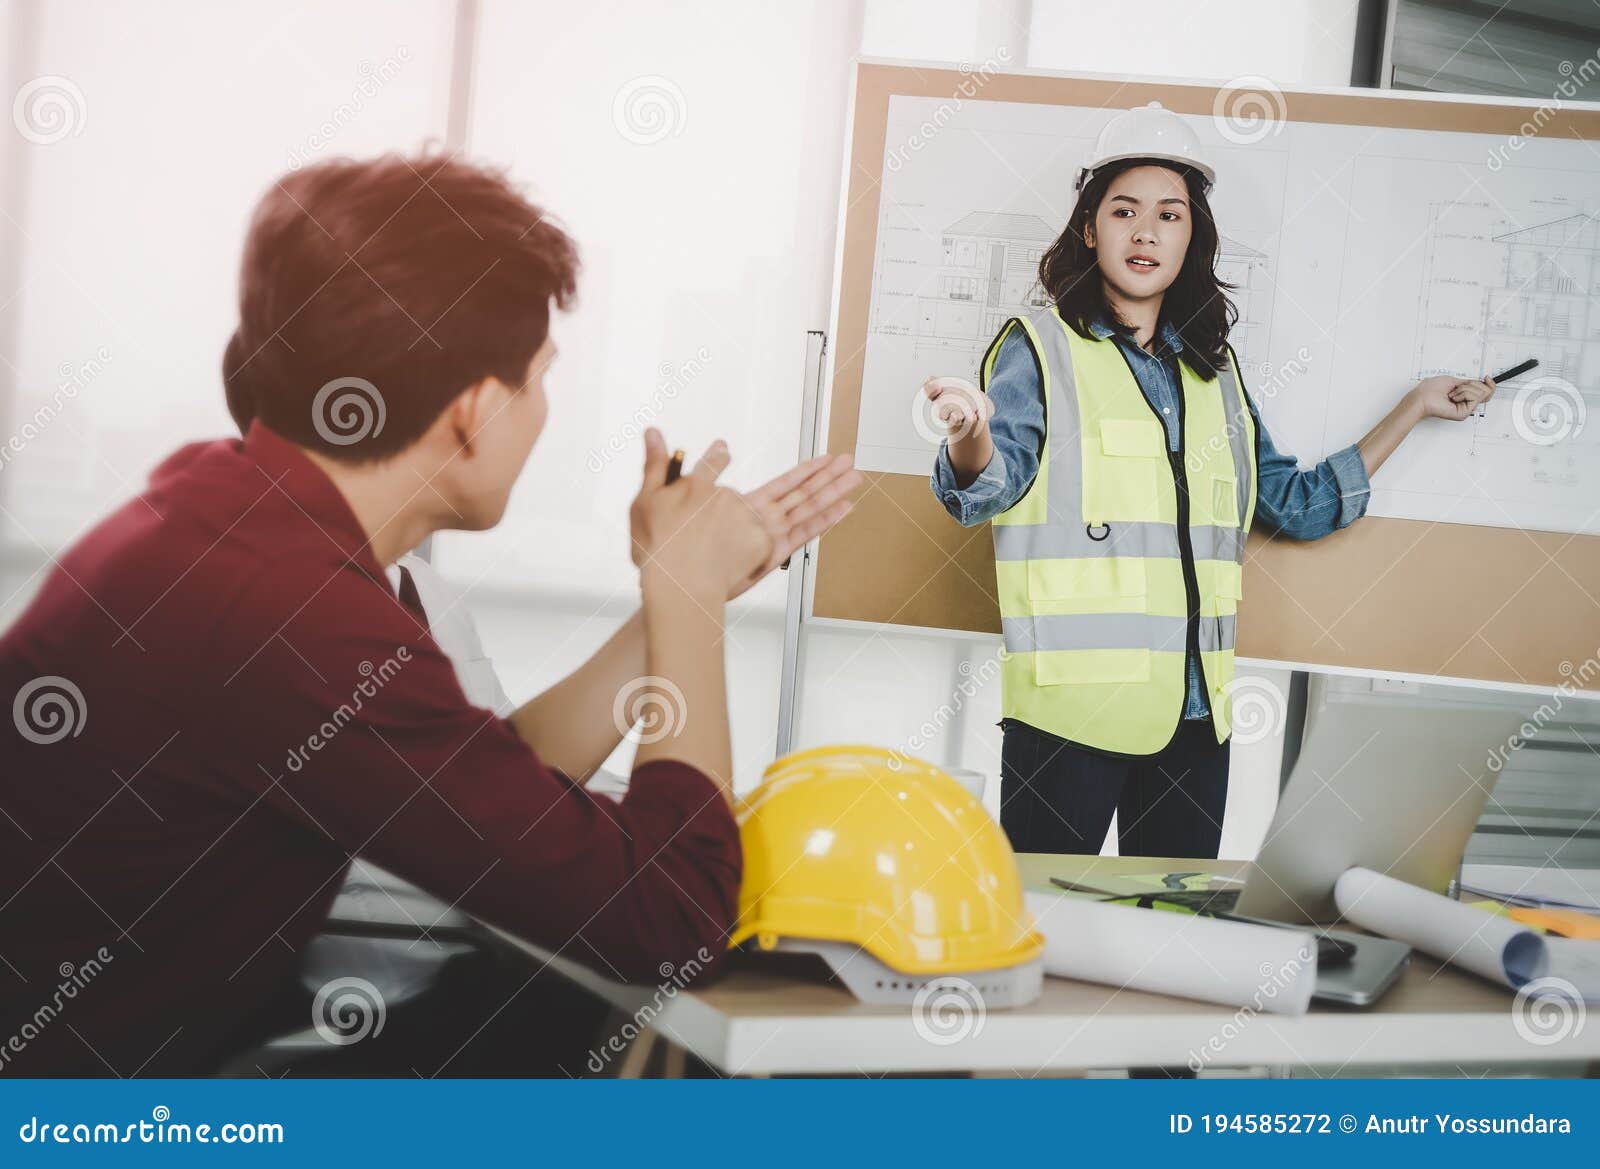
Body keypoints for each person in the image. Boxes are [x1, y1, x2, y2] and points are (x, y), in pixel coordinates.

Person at [0, 153, 861, 1075]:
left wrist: (676, 591)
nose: (541, 410)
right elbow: (670, 918)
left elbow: (489, 791)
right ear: (475, 411)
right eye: (537, 379)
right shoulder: (295, 612)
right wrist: (687, 599)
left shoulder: (240, 521)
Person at [922, 103, 1494, 860]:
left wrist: (1414, 406)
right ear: (1090, 229)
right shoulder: (1042, 349)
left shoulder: (1215, 375)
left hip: (1197, 725)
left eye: (1170, 214)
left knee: (1175, 944)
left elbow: (1296, 503)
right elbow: (989, 487)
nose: (1146, 231)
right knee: (1042, 931)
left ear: (1192, 237)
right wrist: (968, 432)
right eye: (1123, 211)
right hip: (1068, 724)